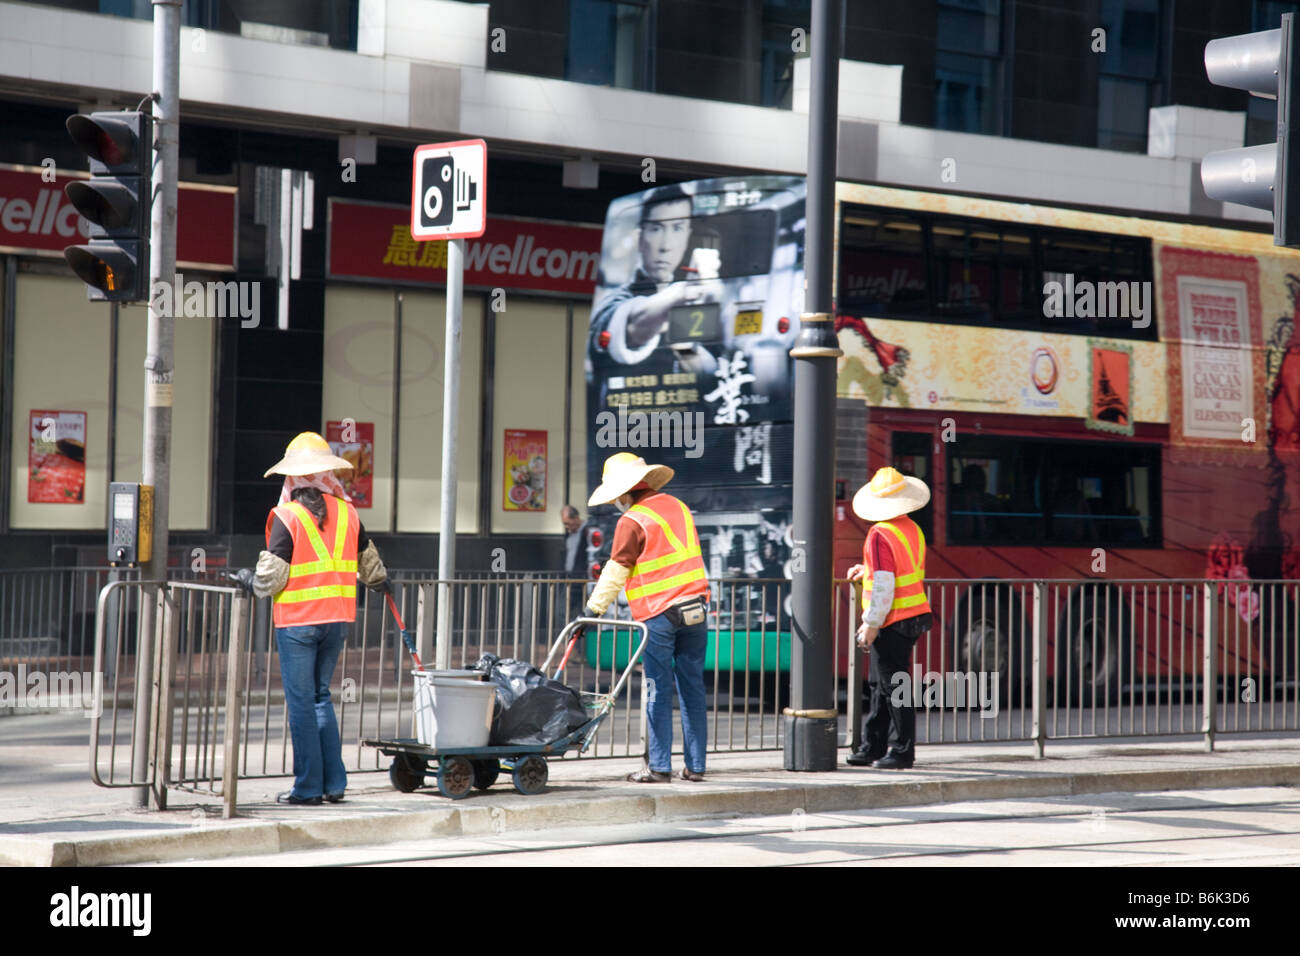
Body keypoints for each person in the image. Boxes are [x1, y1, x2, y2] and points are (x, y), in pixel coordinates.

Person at [233, 432, 390, 805]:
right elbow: (372, 569)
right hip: (336, 621)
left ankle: (307, 788)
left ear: (292, 479)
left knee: (302, 702)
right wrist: (383, 582)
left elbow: (271, 579)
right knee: (321, 697)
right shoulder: (349, 513)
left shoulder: (287, 516)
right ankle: (334, 783)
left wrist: (248, 581)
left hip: (298, 623)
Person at [572, 452, 710, 783]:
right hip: (696, 609)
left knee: (658, 688)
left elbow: (616, 571)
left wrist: (593, 610)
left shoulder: (631, 521)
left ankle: (659, 766)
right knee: (692, 689)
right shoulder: (679, 507)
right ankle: (696, 767)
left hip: (659, 615)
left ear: (623, 491)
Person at [844, 466, 933, 770]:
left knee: (893, 686)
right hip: (913, 616)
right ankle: (874, 745)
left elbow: (884, 583)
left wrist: (871, 624)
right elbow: (895, 571)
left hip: (892, 620)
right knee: (883, 685)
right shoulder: (911, 528)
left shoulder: (880, 534)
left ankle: (903, 751)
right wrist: (865, 570)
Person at [588, 184, 724, 369]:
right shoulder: (614, 301)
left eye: (677, 228)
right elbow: (629, 323)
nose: (666, 245)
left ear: (687, 236)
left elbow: (714, 372)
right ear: (640, 237)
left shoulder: (699, 300)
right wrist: (681, 294)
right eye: (656, 229)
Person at [560, 504, 588, 577]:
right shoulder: (568, 535)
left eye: (567, 523)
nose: (566, 526)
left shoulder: (587, 532)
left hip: (582, 577)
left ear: (576, 518)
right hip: (568, 577)